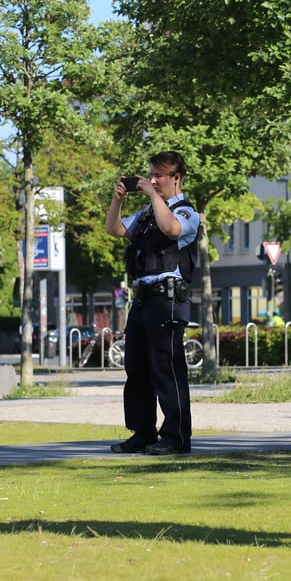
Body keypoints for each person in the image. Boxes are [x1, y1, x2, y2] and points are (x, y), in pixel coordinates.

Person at [104, 151, 201, 456]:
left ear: (177, 178)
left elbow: (171, 229)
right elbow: (115, 230)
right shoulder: (147, 213)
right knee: (136, 368)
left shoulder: (187, 212)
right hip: (142, 300)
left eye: (160, 175)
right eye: (152, 175)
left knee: (166, 369)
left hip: (168, 299)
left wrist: (152, 195)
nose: (154, 180)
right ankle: (143, 432)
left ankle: (176, 436)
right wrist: (117, 201)